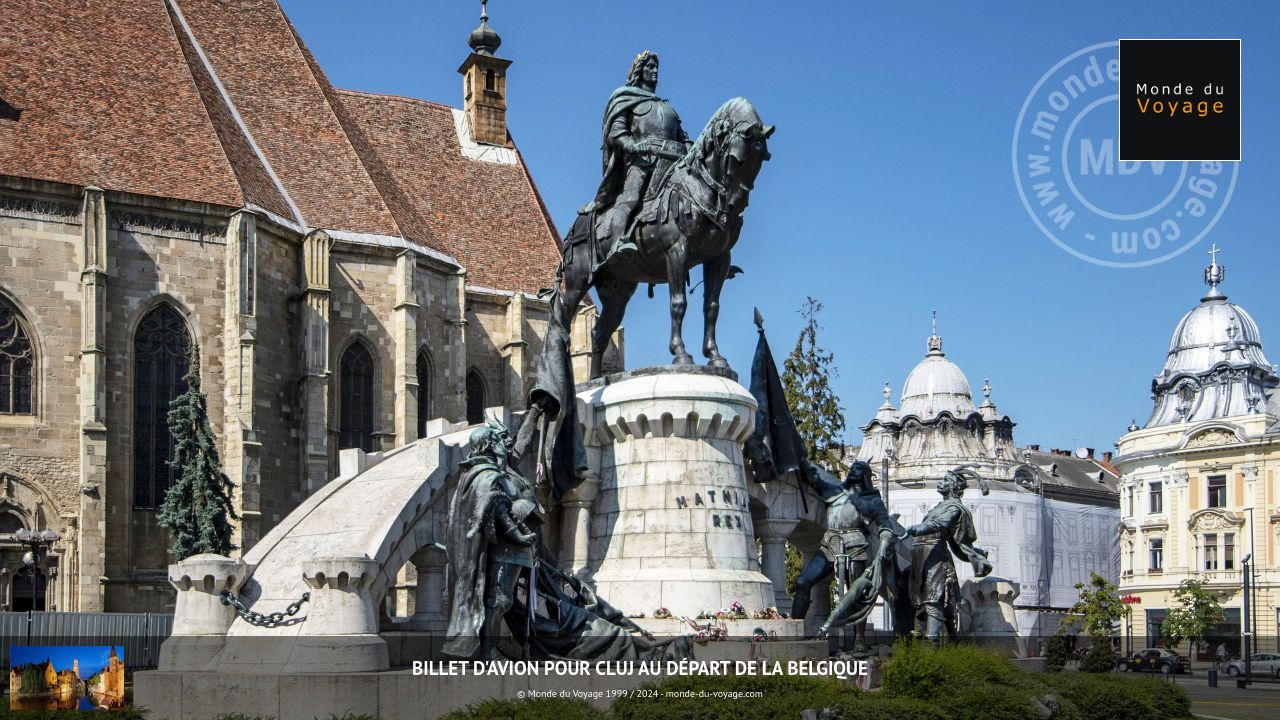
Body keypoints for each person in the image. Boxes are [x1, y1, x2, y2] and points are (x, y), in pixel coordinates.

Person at [443, 417, 543, 660]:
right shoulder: (486, 473)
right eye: (498, 439)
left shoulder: (478, 471)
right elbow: (495, 506)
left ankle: (487, 650)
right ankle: (489, 652)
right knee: (500, 600)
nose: (503, 444)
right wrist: (519, 535)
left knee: (500, 600)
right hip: (507, 548)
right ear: (489, 443)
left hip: (507, 547)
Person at [582, 50, 692, 264]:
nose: (655, 71)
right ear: (640, 72)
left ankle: (709, 247)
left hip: (674, 163)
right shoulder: (628, 100)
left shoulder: (668, 108)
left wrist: (693, 149)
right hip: (643, 161)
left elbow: (683, 137)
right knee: (630, 197)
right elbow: (617, 131)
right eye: (650, 67)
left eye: (656, 68)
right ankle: (617, 243)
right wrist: (633, 145)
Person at [791, 460, 896, 650]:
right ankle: (792, 630)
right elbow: (813, 478)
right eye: (852, 468)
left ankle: (859, 640)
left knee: (856, 594)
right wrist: (797, 457)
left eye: (858, 469)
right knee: (802, 582)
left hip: (855, 548)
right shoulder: (833, 491)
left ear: (865, 475)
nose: (853, 471)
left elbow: (884, 524)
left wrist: (885, 539)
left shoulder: (872, 500)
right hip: (829, 546)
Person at [899, 466, 993, 643]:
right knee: (918, 600)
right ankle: (931, 642)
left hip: (935, 557)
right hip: (921, 556)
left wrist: (915, 528)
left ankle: (932, 646)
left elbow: (941, 525)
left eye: (944, 481)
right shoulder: (940, 506)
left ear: (952, 487)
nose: (940, 483)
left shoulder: (955, 508)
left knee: (933, 601)